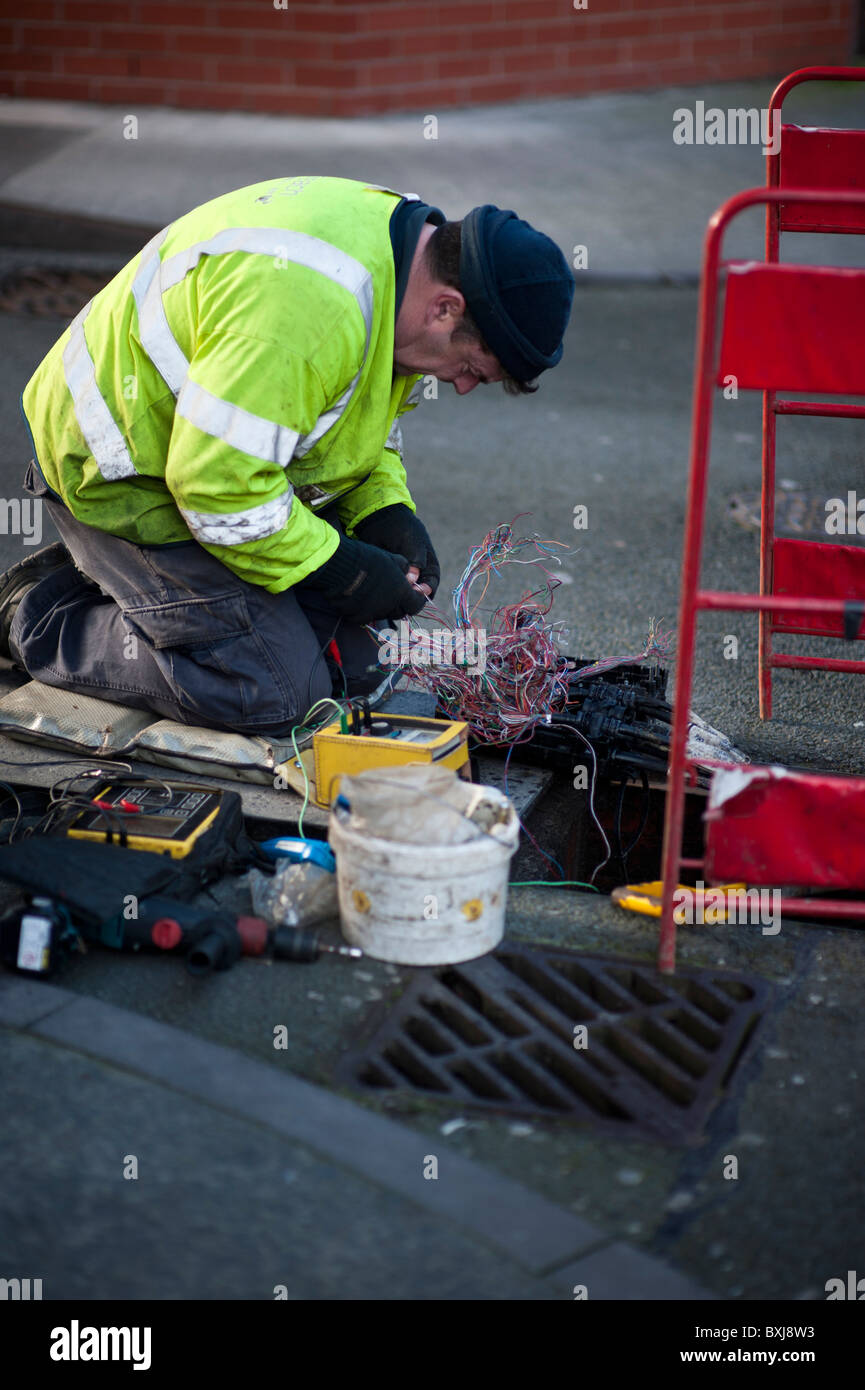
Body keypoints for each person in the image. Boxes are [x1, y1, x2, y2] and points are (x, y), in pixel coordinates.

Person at [0, 176, 574, 736]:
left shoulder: (405, 261)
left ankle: (144, 595)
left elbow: (358, 414)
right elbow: (218, 491)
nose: (466, 386)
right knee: (275, 690)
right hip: (125, 474)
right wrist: (336, 568)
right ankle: (38, 613)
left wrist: (382, 510)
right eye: (473, 369)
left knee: (358, 665)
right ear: (446, 309)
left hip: (217, 453)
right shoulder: (309, 315)